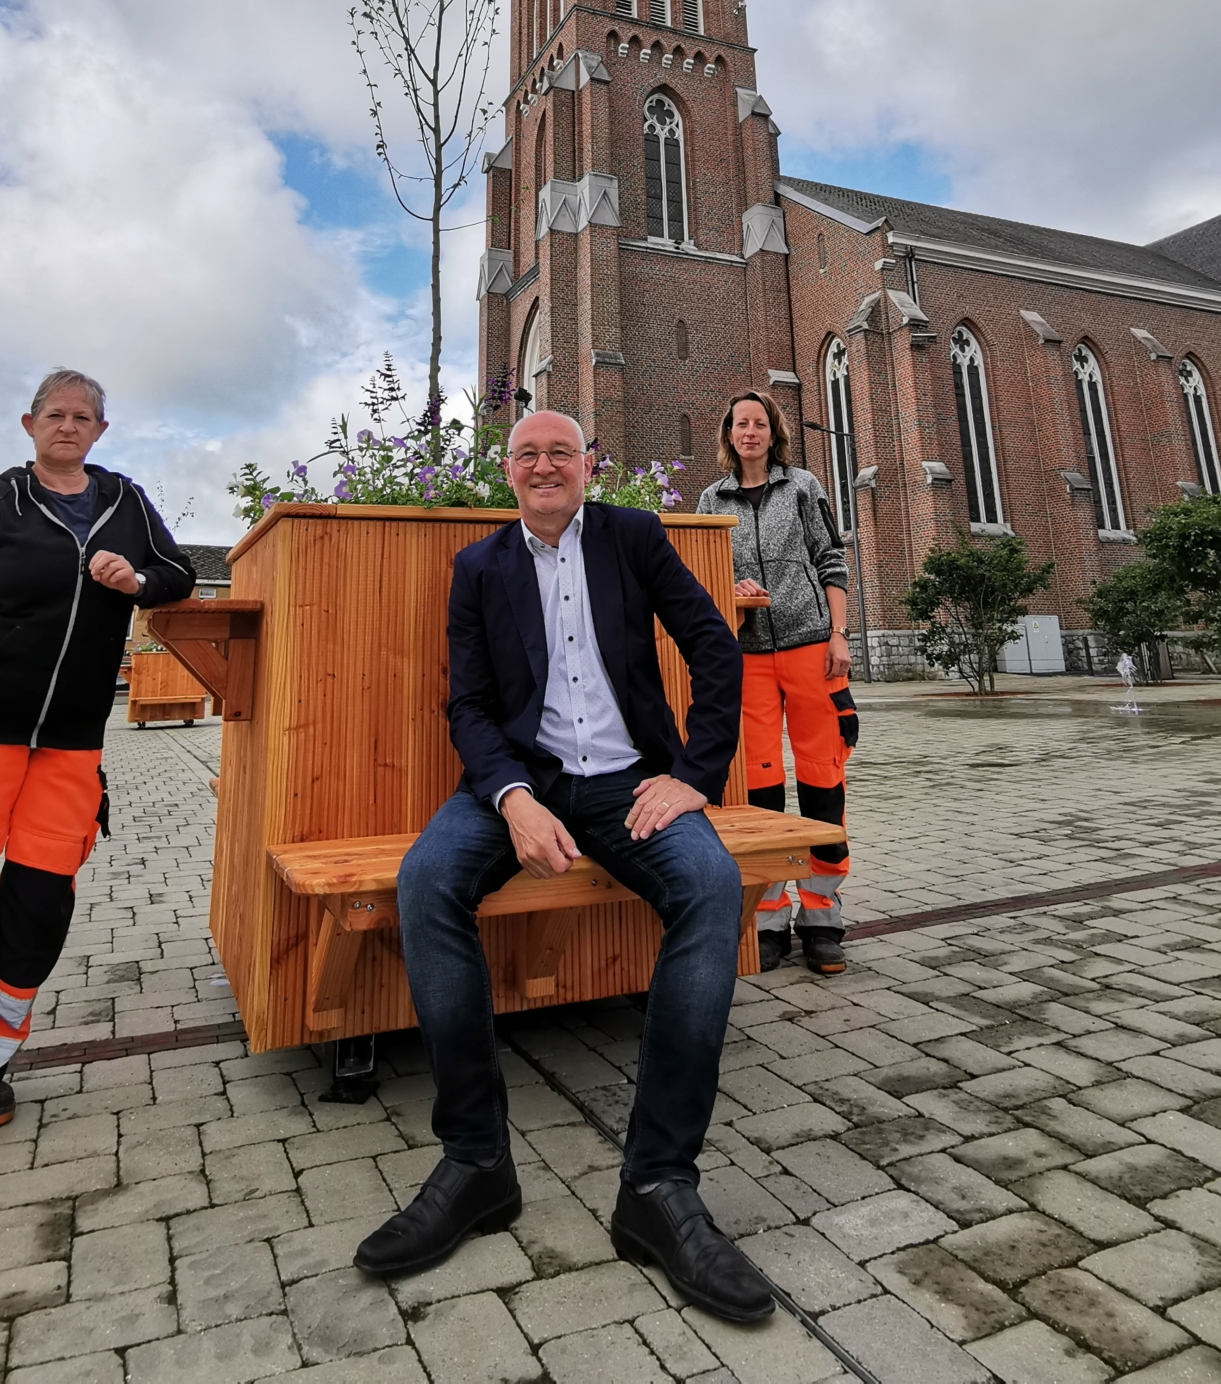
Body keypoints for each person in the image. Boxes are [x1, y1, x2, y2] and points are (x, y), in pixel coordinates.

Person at [354, 410, 774, 1326]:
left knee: (708, 888)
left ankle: (658, 1187)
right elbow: (465, 705)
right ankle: (475, 1163)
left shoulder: (632, 534)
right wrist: (510, 797)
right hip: (522, 785)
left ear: (589, 464)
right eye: (527, 453)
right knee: (427, 882)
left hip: (632, 784)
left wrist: (695, 777)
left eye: (561, 451)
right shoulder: (479, 568)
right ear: (507, 472)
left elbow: (713, 646)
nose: (545, 465)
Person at [0, 370, 195, 1157]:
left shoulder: (125, 503)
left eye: (82, 416)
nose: (68, 425)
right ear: (30, 424)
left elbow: (179, 573)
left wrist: (139, 579)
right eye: (54, 414)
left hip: (69, 745)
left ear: (101, 429)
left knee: (37, 906)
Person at [697, 392, 856, 975]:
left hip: (811, 646)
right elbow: (703, 576)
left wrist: (839, 634)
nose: (750, 431)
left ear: (773, 432)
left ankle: (821, 914)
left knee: (822, 779)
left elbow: (831, 560)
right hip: (747, 656)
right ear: (729, 433)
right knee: (758, 786)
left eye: (760, 423)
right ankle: (766, 915)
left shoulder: (804, 487)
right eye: (741, 422)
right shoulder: (711, 500)